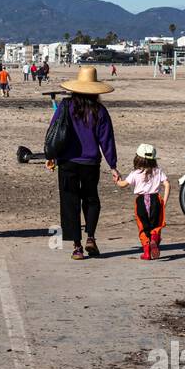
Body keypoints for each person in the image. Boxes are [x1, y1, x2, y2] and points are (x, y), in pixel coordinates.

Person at [45, 66, 120, 261]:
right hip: (90, 163)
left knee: (70, 202)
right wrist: (113, 166)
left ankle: (77, 247)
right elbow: (107, 140)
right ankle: (91, 237)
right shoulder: (100, 111)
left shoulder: (65, 106)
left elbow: (54, 131)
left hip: (67, 162)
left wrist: (51, 156)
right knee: (91, 199)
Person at [118, 143, 170, 259]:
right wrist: (164, 201)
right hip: (155, 200)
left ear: (137, 159)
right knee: (156, 225)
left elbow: (122, 184)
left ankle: (147, 252)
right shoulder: (158, 171)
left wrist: (117, 179)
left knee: (143, 227)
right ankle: (155, 238)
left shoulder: (135, 173)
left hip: (141, 202)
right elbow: (167, 184)